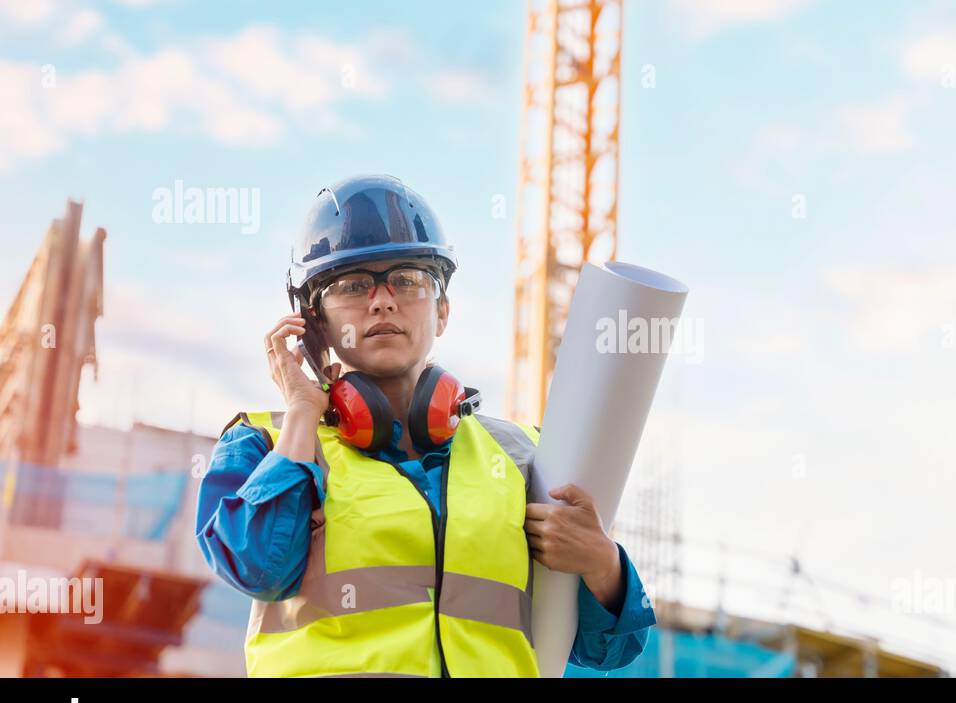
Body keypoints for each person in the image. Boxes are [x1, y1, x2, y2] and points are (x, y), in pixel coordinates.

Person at [195, 173, 656, 677]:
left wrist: (602, 564)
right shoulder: (263, 444)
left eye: (409, 279)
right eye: (351, 284)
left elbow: (610, 650)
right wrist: (303, 413)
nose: (383, 300)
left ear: (443, 310)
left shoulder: (524, 455)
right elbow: (255, 568)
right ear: (314, 323)